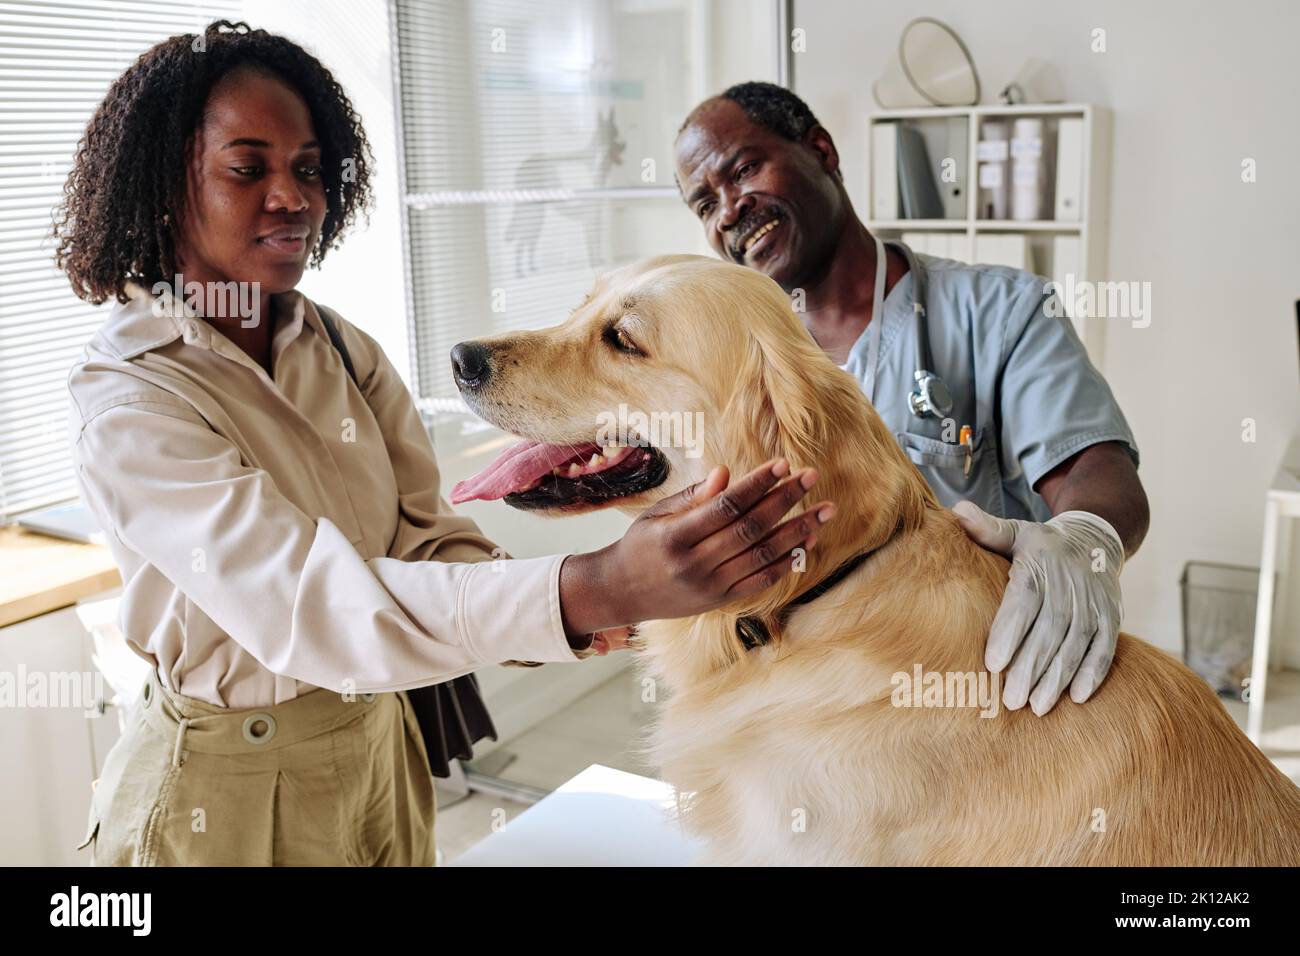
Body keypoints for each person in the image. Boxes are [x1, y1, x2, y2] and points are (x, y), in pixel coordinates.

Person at [56, 24, 834, 866]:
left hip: (379, 751)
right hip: (219, 789)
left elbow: (426, 543)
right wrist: (590, 589)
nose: (294, 197)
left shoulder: (342, 351)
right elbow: (306, 608)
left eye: (310, 169)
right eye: (249, 169)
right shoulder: (131, 396)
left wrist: (575, 608)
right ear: (166, 186)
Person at [674, 81, 1150, 716]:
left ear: (822, 150)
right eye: (705, 204)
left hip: (977, 683)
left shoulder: (1002, 311)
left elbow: (1094, 468)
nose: (729, 210)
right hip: (813, 694)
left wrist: (1082, 536)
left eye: (744, 169)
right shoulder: (735, 368)